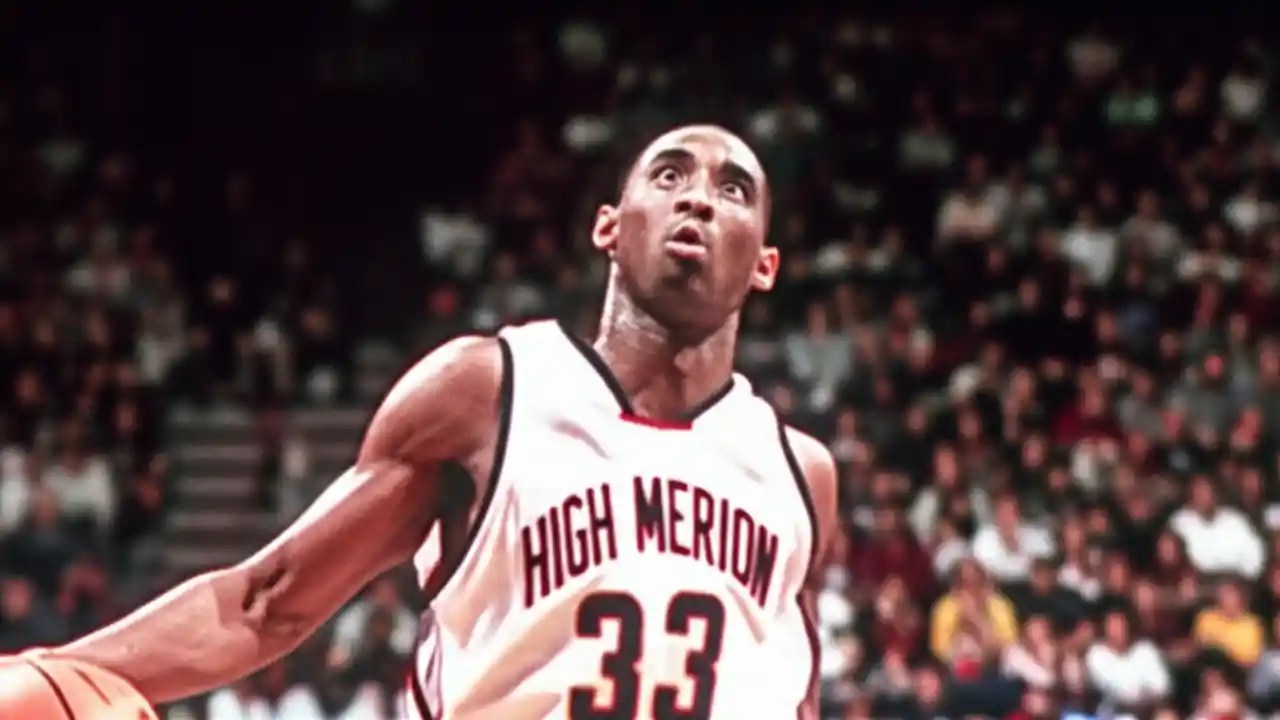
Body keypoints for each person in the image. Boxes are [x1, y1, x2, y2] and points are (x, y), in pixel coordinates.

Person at [7, 124, 839, 720]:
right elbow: (266, 604)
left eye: (734, 189)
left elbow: (794, 692)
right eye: (669, 174)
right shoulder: (489, 391)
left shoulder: (802, 474)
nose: (698, 196)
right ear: (609, 229)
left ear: (764, 263)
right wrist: (55, 671)